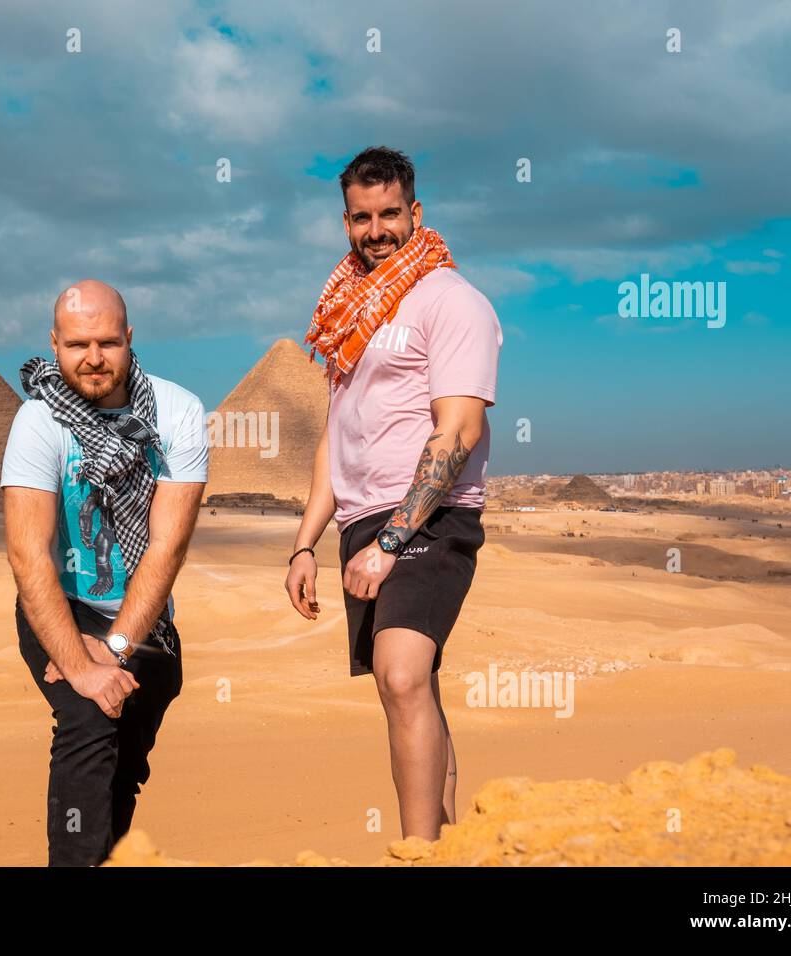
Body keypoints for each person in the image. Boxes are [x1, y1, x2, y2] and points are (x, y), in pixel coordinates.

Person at [284, 146, 502, 840]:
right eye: (360, 217)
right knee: (412, 690)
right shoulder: (350, 313)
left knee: (402, 675)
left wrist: (391, 541)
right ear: (345, 220)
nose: (375, 229)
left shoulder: (452, 300)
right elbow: (336, 438)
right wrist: (302, 544)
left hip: (428, 518)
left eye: (389, 214)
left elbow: (459, 430)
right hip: (362, 523)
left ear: (416, 212)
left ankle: (416, 853)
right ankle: (445, 841)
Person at [1, 279, 207, 866]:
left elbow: (166, 546)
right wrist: (79, 666)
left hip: (143, 615)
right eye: (77, 344)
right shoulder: (37, 422)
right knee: (89, 717)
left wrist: (113, 651)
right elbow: (28, 557)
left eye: (108, 342)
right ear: (54, 344)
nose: (93, 357)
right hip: (59, 603)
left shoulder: (176, 412)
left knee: (122, 767)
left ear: (130, 338)